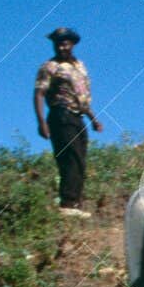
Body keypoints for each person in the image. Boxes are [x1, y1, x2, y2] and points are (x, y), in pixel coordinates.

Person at [33, 27, 102, 218]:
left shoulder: (79, 66)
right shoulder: (50, 67)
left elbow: (81, 96)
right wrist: (41, 122)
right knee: (69, 158)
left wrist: (93, 119)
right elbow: (39, 93)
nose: (62, 47)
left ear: (72, 44)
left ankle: (76, 204)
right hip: (60, 115)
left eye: (65, 43)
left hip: (78, 116)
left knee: (80, 159)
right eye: (58, 44)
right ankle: (67, 203)